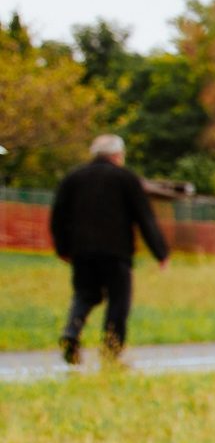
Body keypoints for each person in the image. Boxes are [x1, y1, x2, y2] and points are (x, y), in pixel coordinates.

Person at [49, 133, 169, 365]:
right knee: (118, 300)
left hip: (81, 251)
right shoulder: (126, 179)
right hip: (116, 252)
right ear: (117, 155)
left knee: (85, 294)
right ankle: (111, 352)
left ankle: (71, 333)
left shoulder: (74, 178)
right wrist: (160, 252)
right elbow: (145, 218)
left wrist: (62, 248)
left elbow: (58, 217)